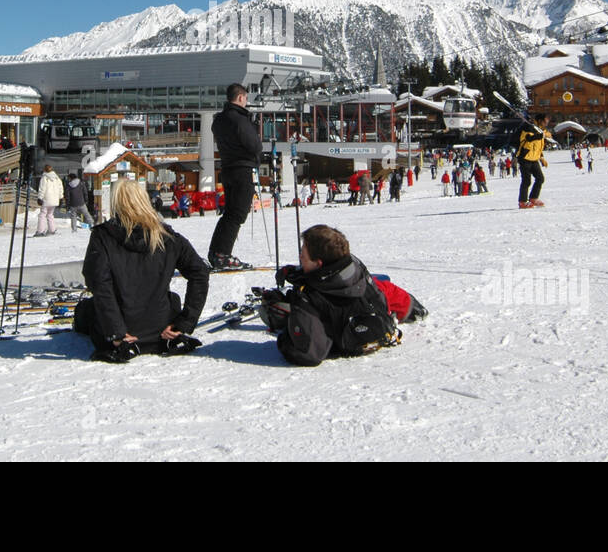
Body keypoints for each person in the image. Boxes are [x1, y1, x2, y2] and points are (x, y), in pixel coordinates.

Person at [76, 181, 210, 363]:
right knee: (173, 300)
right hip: (160, 331)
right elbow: (200, 272)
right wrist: (185, 322)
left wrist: (115, 332)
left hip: (121, 333)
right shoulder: (167, 237)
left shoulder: (104, 236)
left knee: (86, 310)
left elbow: (99, 283)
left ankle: (115, 332)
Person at [262, 224, 423, 367]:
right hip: (382, 312)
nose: (300, 259)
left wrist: (285, 336)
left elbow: (308, 354)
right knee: (382, 285)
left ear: (318, 264)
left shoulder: (309, 299)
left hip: (345, 333)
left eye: (303, 256)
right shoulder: (357, 271)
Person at [207, 83, 261, 270]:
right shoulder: (239, 119)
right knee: (237, 213)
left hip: (228, 167)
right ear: (240, 98)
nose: (246, 102)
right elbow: (254, 145)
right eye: (245, 98)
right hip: (242, 168)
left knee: (229, 213)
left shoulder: (219, 120)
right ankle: (222, 254)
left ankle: (217, 252)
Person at [516, 115, 550, 209]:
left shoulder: (540, 130)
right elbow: (529, 138)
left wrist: (541, 158)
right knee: (526, 181)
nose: (546, 124)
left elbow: (538, 147)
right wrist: (541, 135)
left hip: (534, 158)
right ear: (539, 120)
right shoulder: (528, 127)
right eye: (545, 121)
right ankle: (522, 202)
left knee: (540, 178)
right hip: (525, 157)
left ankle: (533, 198)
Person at [37, 164, 64, 236]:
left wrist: (40, 197)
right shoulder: (57, 178)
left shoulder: (44, 178)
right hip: (55, 200)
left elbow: (42, 189)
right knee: (50, 214)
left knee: (42, 214)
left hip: (47, 199)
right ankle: (52, 229)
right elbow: (60, 188)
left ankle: (40, 230)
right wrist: (61, 197)